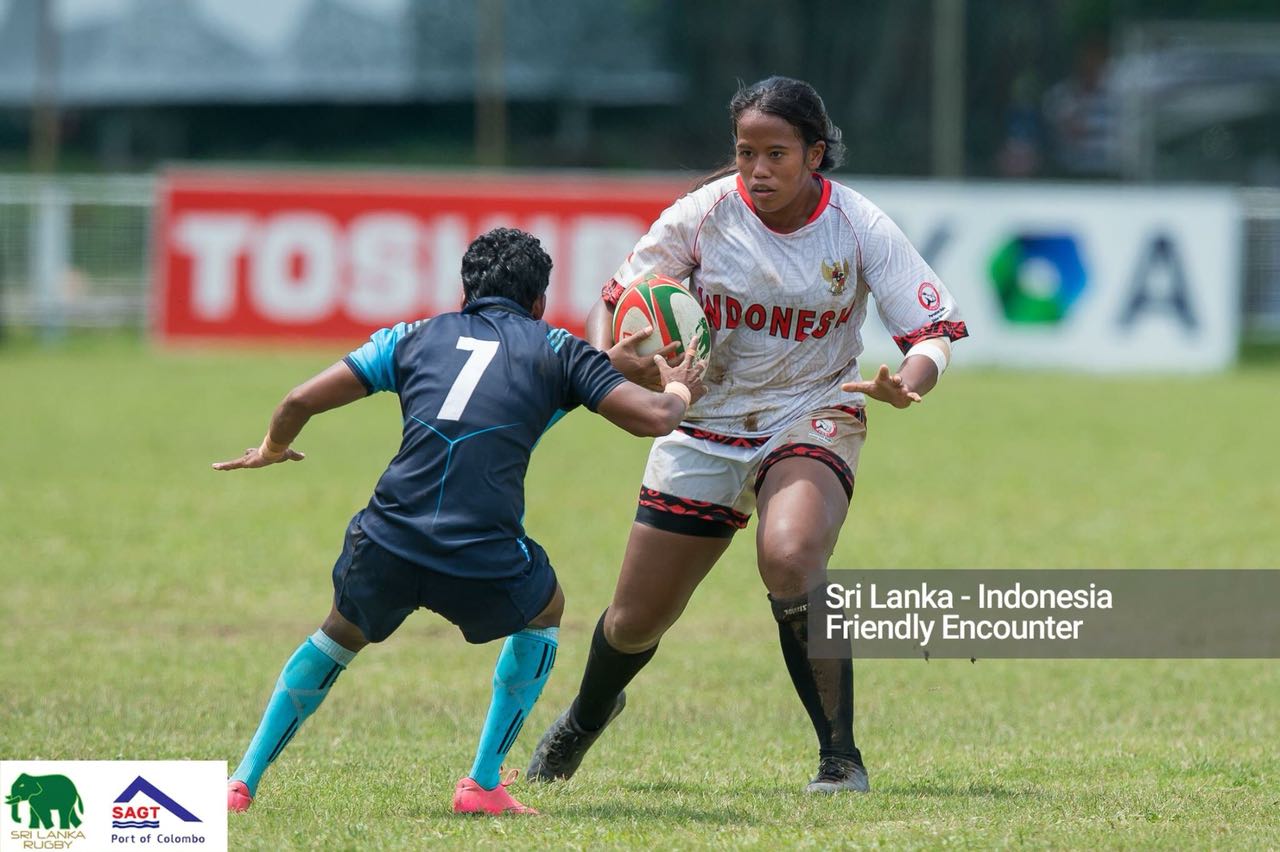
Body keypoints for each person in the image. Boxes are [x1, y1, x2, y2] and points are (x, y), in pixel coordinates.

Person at [525, 76, 968, 793]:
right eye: (745, 154)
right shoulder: (702, 215)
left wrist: (907, 383)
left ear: (815, 155)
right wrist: (618, 362)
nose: (758, 171)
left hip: (813, 410)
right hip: (701, 424)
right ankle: (585, 715)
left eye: (777, 155)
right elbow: (619, 298)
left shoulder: (858, 226)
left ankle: (839, 759)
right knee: (635, 623)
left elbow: (934, 331)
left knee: (790, 557)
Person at [214, 228, 706, 816]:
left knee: (336, 636)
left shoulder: (411, 336)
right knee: (547, 607)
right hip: (480, 551)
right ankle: (482, 784)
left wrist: (271, 446)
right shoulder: (557, 350)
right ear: (538, 304)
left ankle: (241, 783)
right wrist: (678, 388)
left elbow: (297, 401)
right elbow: (652, 418)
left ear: (465, 289)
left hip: (388, 535)